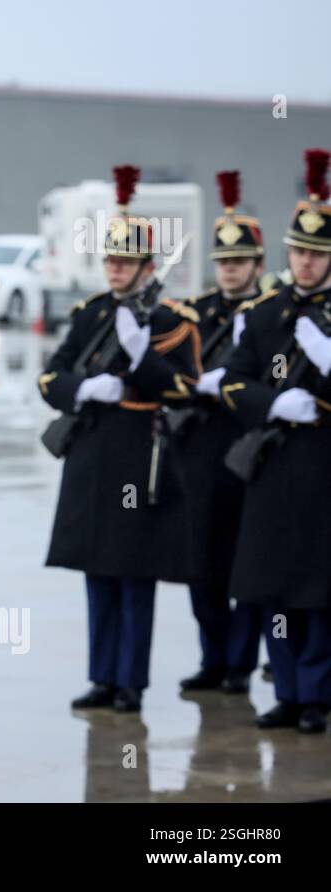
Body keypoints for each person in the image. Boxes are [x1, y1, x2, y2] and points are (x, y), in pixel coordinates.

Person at [38, 165, 202, 714]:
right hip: (91, 460)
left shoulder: (171, 319)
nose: (115, 269)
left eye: (126, 261)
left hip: (140, 461)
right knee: (98, 573)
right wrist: (88, 388)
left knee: (134, 577)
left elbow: (184, 389)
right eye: (110, 259)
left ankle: (130, 683)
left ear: (147, 267)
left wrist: (141, 359)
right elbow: (50, 378)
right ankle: (102, 677)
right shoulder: (89, 316)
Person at [215, 148, 331, 734]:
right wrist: (273, 401)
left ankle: (316, 694)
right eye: (299, 252)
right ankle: (287, 690)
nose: (306, 264)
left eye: (317, 254)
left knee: (320, 591)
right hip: (272, 468)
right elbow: (233, 380)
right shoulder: (267, 314)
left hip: (323, 468)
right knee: (272, 590)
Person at [174, 171, 265, 694]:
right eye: (223, 263)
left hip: (252, 452)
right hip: (203, 452)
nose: (230, 271)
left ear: (257, 265)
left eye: (239, 263)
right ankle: (214, 658)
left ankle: (242, 663)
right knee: (203, 564)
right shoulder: (197, 314)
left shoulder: (269, 315)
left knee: (247, 564)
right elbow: (174, 373)